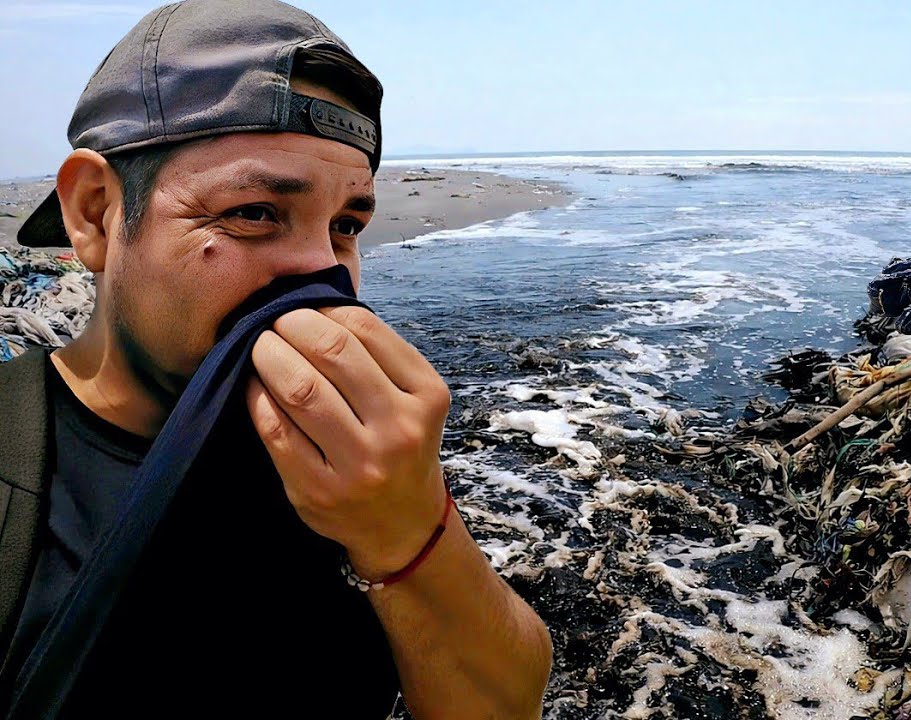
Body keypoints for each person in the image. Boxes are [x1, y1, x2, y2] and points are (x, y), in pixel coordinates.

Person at [0, 1, 553, 718]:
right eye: (256, 212)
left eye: (347, 225)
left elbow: (505, 703)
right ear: (97, 212)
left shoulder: (348, 453)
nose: (322, 269)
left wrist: (408, 527)